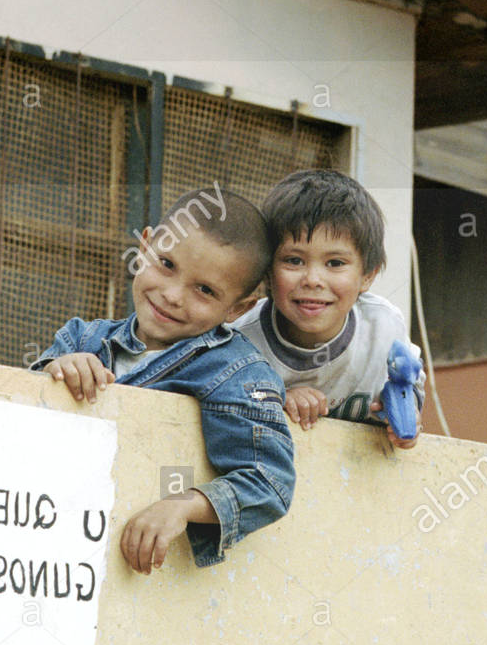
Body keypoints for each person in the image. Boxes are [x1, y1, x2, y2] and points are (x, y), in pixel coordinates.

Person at [32, 187, 294, 573]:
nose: (172, 295)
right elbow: (10, 420)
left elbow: (270, 482)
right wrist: (56, 371)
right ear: (145, 247)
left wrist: (183, 504)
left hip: (146, 578)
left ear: (237, 308)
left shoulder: (237, 373)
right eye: (166, 264)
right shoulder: (80, 339)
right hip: (52, 551)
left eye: (205, 290)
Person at [234, 170, 423, 449]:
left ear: (368, 275)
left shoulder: (383, 328)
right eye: (294, 260)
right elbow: (213, 398)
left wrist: (406, 418)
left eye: (335, 263)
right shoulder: (241, 340)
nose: (312, 279)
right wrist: (274, 396)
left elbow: (411, 385)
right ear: (267, 271)